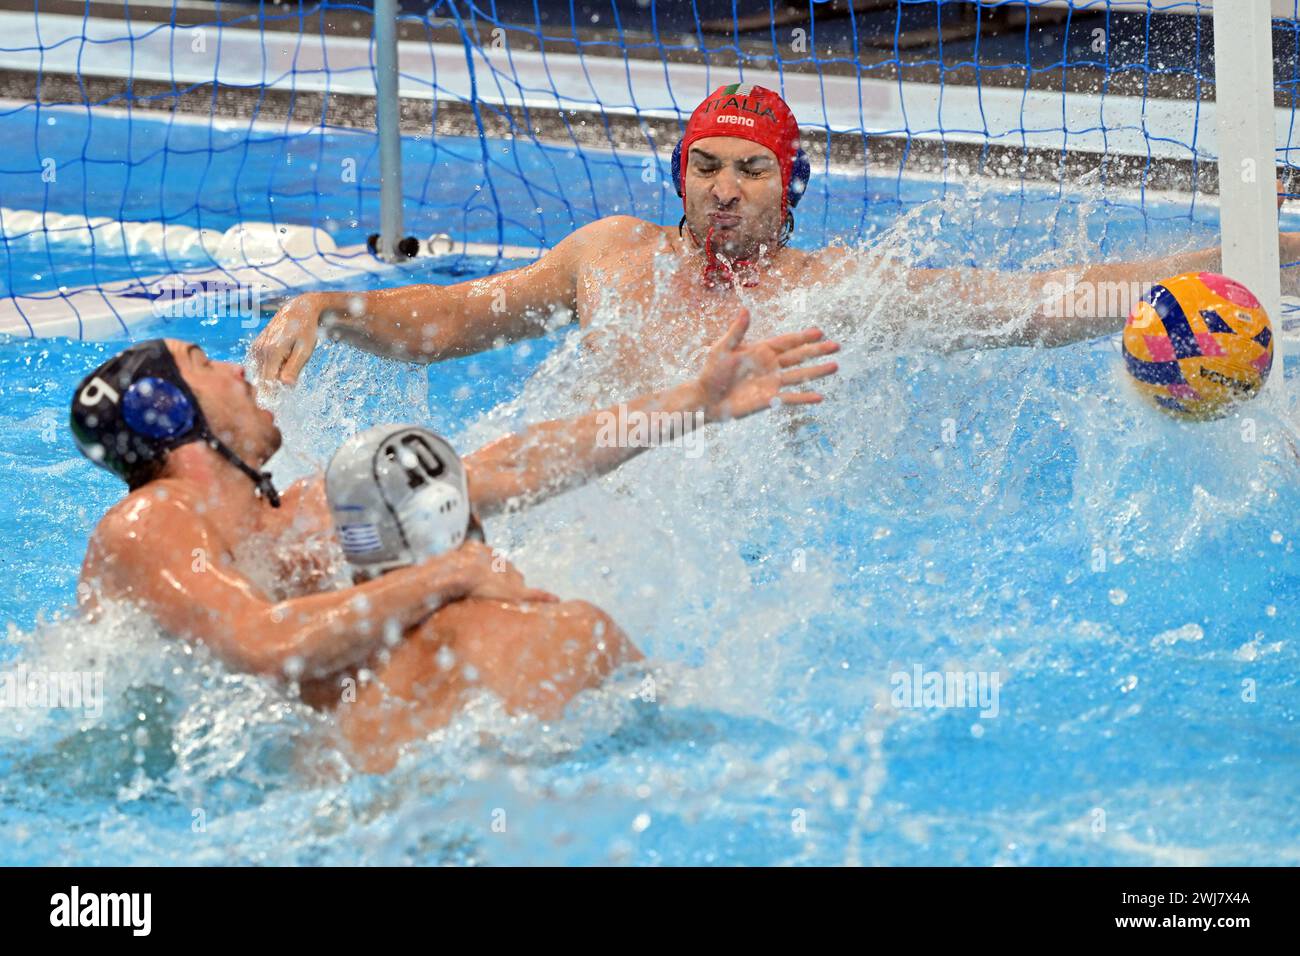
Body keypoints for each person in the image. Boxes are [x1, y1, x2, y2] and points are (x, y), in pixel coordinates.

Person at [73, 310, 837, 772]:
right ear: (164, 414)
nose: (241, 369)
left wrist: (690, 405)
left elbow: (509, 465)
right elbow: (260, 641)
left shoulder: (300, 515)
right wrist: (454, 574)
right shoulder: (151, 520)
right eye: (206, 365)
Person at [249, 82, 1300, 391]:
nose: (722, 192)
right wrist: (330, 306)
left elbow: (1035, 301)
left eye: (751, 171)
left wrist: (1246, 254)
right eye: (704, 166)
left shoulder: (836, 284)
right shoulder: (606, 255)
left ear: (788, 190)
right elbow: (454, 319)